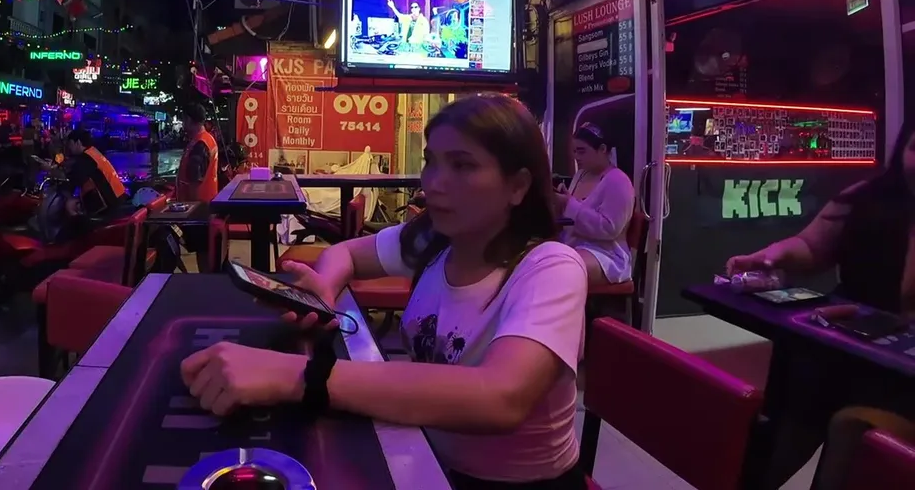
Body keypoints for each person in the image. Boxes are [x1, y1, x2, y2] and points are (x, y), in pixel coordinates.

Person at [180, 94, 587, 490]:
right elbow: (345, 254)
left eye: (462, 165)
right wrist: (324, 288)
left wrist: (297, 376)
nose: (434, 183)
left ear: (518, 186)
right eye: (431, 161)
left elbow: (501, 398)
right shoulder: (435, 239)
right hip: (423, 456)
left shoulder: (550, 267)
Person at [725, 121, 915, 487]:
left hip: (901, 381)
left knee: (852, 439)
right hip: (839, 346)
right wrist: (772, 255)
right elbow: (812, 247)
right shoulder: (868, 196)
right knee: (783, 436)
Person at [554, 123, 635, 287]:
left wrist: (568, 203)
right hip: (576, 245)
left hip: (606, 254)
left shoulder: (618, 181)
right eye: (574, 151)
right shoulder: (581, 175)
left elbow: (609, 229)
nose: (576, 156)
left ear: (602, 149)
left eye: (582, 151)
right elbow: (575, 209)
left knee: (561, 269)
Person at [176, 104, 219, 202]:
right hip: (206, 202)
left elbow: (194, 181)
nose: (183, 123)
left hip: (197, 205)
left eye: (183, 119)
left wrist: (191, 207)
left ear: (189, 120)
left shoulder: (200, 144)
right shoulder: (206, 139)